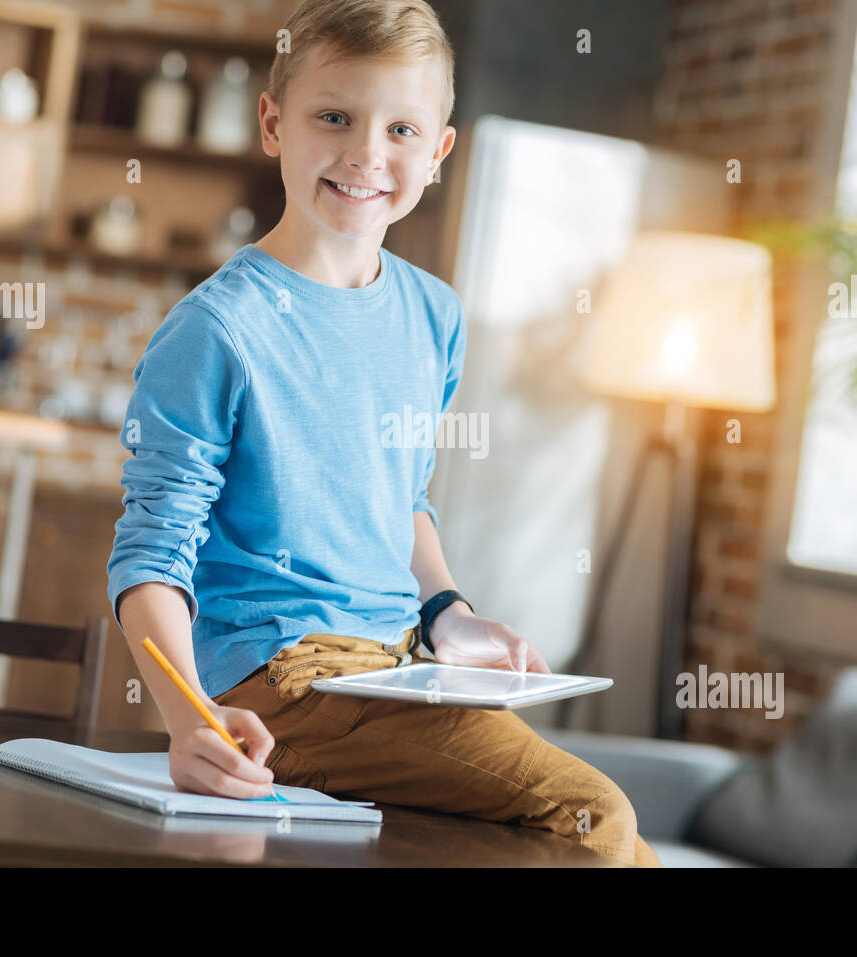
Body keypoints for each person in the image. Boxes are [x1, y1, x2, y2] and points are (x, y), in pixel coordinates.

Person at [107, 0, 661, 868]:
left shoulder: (433, 314)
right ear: (273, 124)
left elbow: (400, 498)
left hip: (397, 668)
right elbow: (150, 554)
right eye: (335, 117)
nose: (367, 153)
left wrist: (449, 612)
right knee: (589, 813)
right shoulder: (216, 330)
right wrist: (192, 718)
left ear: (438, 152)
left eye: (402, 128)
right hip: (284, 680)